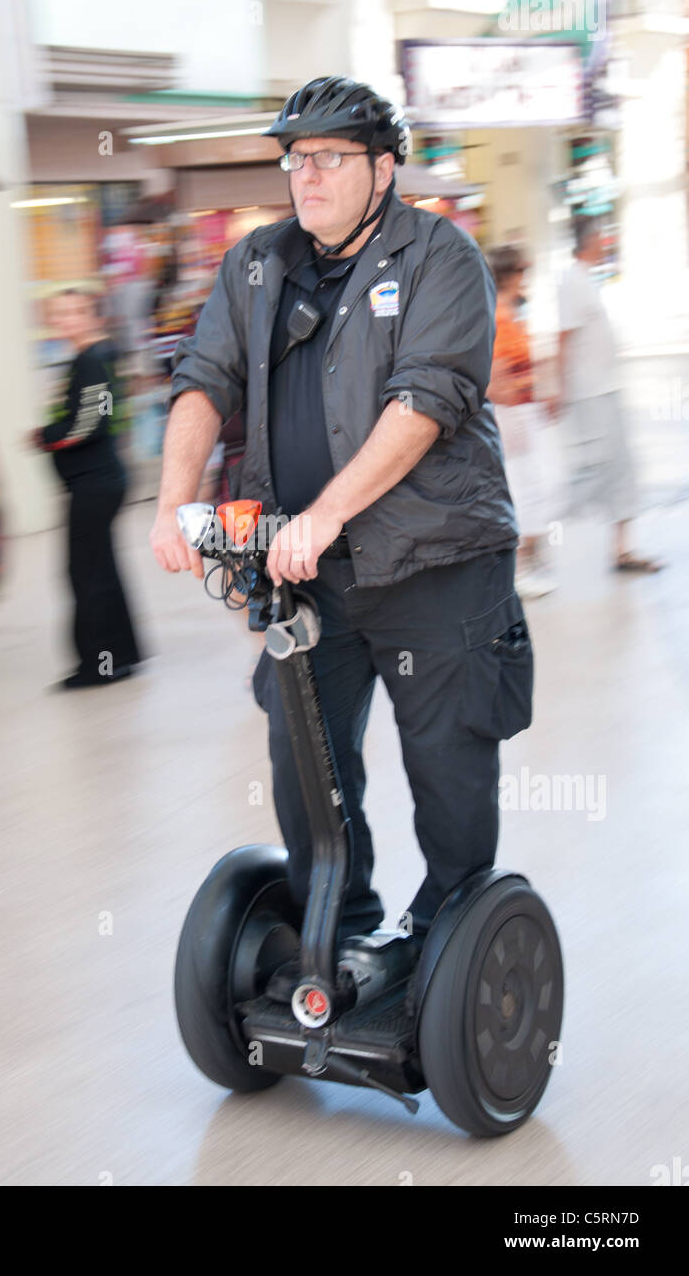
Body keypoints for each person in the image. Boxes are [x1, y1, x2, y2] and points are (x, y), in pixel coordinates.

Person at [150, 75, 531, 965]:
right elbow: (204, 380)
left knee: (447, 768)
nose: (305, 174)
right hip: (307, 578)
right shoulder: (255, 265)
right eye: (293, 157)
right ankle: (343, 931)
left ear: (383, 167)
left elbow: (424, 404)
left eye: (328, 157)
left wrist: (322, 514)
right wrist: (173, 503)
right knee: (305, 765)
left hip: (437, 565)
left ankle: (448, 952)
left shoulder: (442, 259)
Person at [31, 289, 141, 688]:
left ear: (93, 315)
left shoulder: (93, 360)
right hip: (100, 481)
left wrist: (44, 436)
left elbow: (89, 423)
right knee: (101, 570)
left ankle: (102, 664)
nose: (65, 320)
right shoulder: (98, 356)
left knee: (87, 574)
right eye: (58, 313)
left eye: (75, 312)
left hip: (95, 484)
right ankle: (121, 657)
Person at [556, 216, 663, 573]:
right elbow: (564, 339)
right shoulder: (572, 280)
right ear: (589, 240)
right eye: (602, 237)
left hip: (606, 389)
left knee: (620, 466)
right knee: (592, 470)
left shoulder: (587, 279)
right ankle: (541, 532)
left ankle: (622, 550)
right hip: (590, 394)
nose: (606, 243)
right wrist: (560, 389)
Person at [486, 244, 561, 599]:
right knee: (525, 489)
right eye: (522, 272)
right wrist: (512, 412)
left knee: (533, 486)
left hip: (521, 410)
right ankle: (520, 569)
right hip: (513, 412)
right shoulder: (500, 316)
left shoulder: (510, 312)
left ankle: (526, 563)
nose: (525, 278)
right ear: (512, 275)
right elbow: (495, 373)